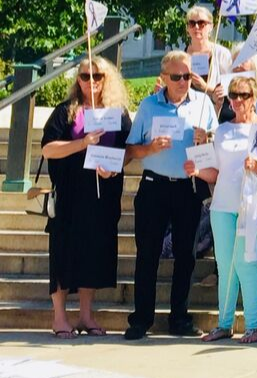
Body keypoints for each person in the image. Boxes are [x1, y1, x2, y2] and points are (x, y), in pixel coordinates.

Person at [186, 76, 257, 344]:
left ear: (254, 97)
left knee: (247, 262)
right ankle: (224, 323)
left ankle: (253, 325)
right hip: (222, 205)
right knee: (225, 264)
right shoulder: (221, 131)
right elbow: (215, 171)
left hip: (251, 206)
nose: (237, 100)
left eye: (243, 94)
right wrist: (197, 170)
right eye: (233, 94)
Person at [124, 51, 219, 340]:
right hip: (154, 186)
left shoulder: (203, 103)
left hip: (188, 187)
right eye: (176, 76)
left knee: (186, 256)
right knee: (147, 254)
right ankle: (141, 319)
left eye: (187, 76)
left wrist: (208, 139)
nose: (182, 82)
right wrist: (149, 149)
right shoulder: (149, 106)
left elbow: (216, 147)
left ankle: (180, 318)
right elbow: (130, 150)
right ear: (164, 77)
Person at [41, 57, 131, 339]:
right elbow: (48, 149)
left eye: (97, 76)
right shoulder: (66, 112)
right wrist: (82, 143)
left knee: (93, 253)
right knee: (63, 253)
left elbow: (129, 150)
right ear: (77, 80)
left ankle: (85, 315)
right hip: (69, 195)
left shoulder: (117, 113)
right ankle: (59, 318)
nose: (91, 81)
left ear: (108, 79)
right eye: (84, 76)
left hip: (102, 195)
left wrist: (113, 168)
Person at [184, 5, 231, 97]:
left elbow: (231, 88)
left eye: (201, 23)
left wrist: (205, 87)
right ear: (188, 28)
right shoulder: (181, 55)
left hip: (214, 108)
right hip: (187, 108)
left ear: (211, 27)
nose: (196, 27)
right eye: (192, 23)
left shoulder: (222, 54)